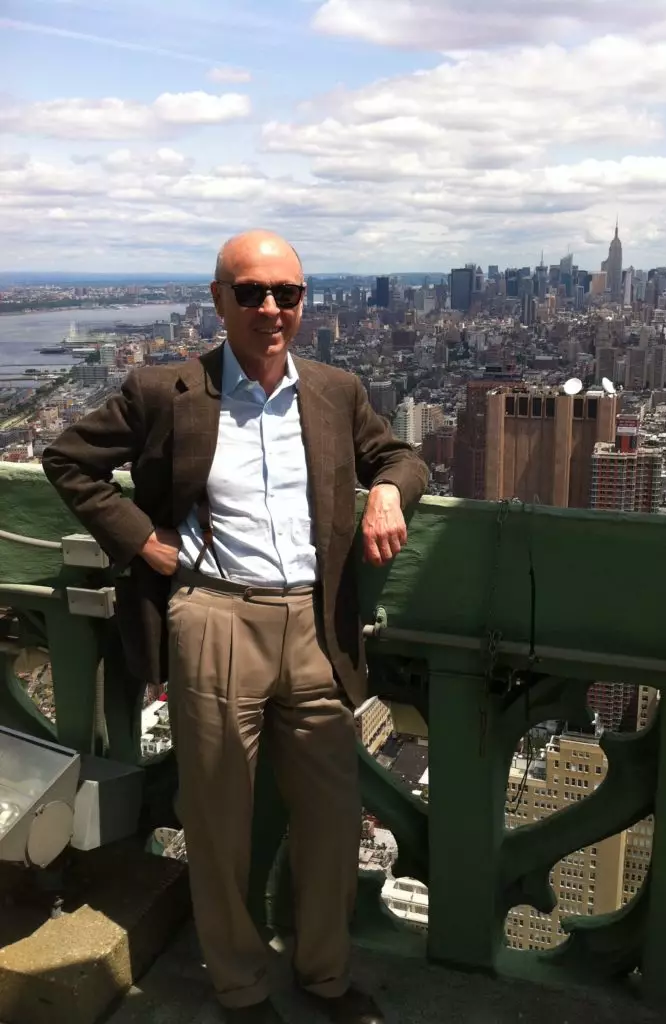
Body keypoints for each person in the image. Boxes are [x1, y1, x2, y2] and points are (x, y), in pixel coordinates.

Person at [42, 230, 429, 1024]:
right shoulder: (164, 390)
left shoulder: (333, 390)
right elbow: (68, 459)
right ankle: (241, 987)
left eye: (285, 293)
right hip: (212, 615)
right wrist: (142, 540)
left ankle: (323, 976)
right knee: (217, 820)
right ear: (218, 300)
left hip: (317, 623)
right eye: (249, 292)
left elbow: (399, 456)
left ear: (304, 303)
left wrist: (388, 489)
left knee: (330, 816)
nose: (269, 308)